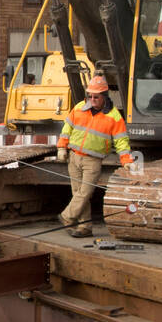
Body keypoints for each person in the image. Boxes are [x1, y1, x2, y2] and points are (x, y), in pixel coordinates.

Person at [56, 75, 134, 238]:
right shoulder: (79, 108)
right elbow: (67, 128)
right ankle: (85, 228)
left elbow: (121, 141)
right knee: (77, 191)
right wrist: (62, 147)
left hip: (93, 160)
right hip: (74, 156)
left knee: (84, 192)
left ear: (104, 96)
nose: (92, 99)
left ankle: (67, 216)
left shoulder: (114, 117)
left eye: (96, 97)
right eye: (90, 96)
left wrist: (126, 160)